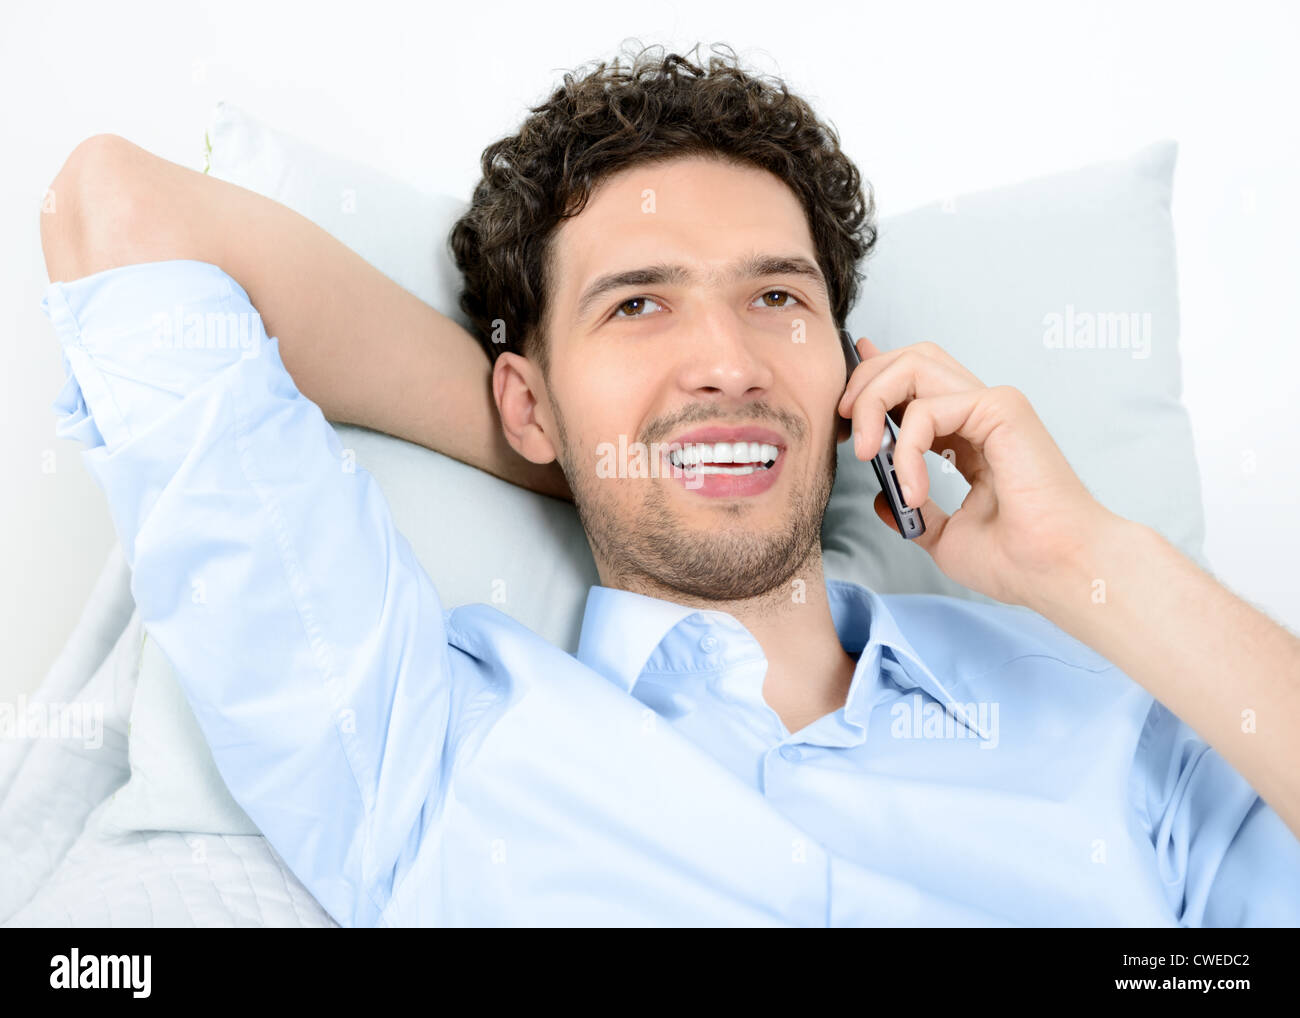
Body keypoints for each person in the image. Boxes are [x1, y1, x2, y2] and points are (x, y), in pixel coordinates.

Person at [37, 42, 1300, 927]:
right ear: (526, 397)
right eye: (638, 303)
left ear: (850, 370)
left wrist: (1092, 563)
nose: (727, 361)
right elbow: (120, 209)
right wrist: (585, 445)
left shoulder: (1116, 727)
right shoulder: (418, 743)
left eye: (776, 299)